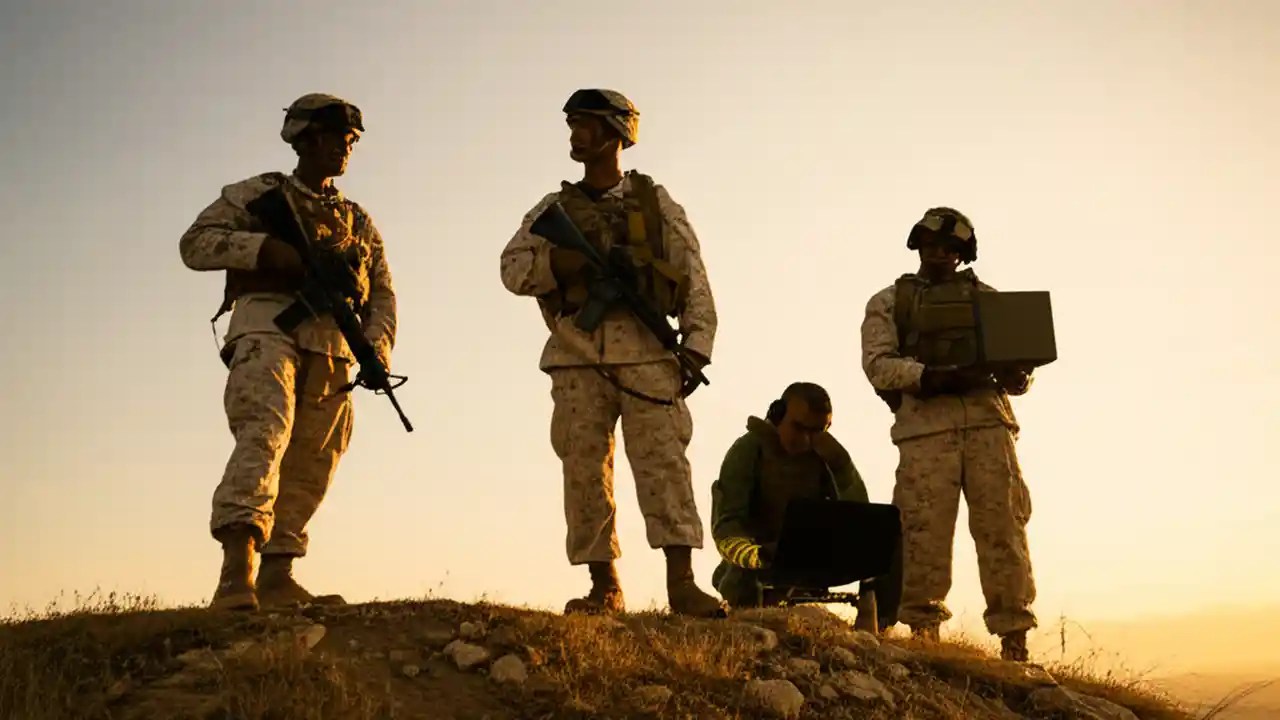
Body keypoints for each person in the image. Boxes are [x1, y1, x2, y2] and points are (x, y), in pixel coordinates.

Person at [499, 88, 725, 618]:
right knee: (584, 471)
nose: (577, 135)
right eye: (573, 124)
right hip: (576, 354)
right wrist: (562, 267)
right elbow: (512, 268)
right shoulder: (552, 210)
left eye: (589, 124)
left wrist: (697, 347)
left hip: (648, 355)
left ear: (618, 133)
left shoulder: (654, 203)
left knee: (665, 468)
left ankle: (682, 584)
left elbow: (693, 278)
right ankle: (605, 586)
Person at [178, 93, 397, 611]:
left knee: (315, 459)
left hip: (333, 348)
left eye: (351, 141)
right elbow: (196, 243)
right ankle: (237, 573)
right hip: (266, 328)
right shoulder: (259, 195)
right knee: (265, 435)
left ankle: (279, 574)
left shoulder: (357, 221)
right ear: (306, 139)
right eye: (336, 138)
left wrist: (376, 349)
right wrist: (262, 250)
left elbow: (383, 293)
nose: (345, 148)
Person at [859, 206, 1037, 661]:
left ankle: (1014, 640)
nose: (941, 254)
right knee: (922, 532)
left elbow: (1019, 369)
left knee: (1003, 531)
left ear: (963, 253)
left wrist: (1019, 373)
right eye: (933, 244)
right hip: (925, 431)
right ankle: (924, 638)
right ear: (917, 244)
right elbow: (877, 364)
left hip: (987, 424)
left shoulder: (989, 301)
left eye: (951, 248)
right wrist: (930, 377)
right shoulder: (889, 302)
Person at [708, 383, 900, 630]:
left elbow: (858, 517)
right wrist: (760, 555)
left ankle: (878, 628)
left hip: (808, 562)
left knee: (888, 536)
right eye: (799, 428)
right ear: (778, 415)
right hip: (757, 567)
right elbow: (726, 525)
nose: (807, 439)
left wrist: (843, 467)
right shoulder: (748, 450)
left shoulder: (824, 455)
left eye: (818, 431)